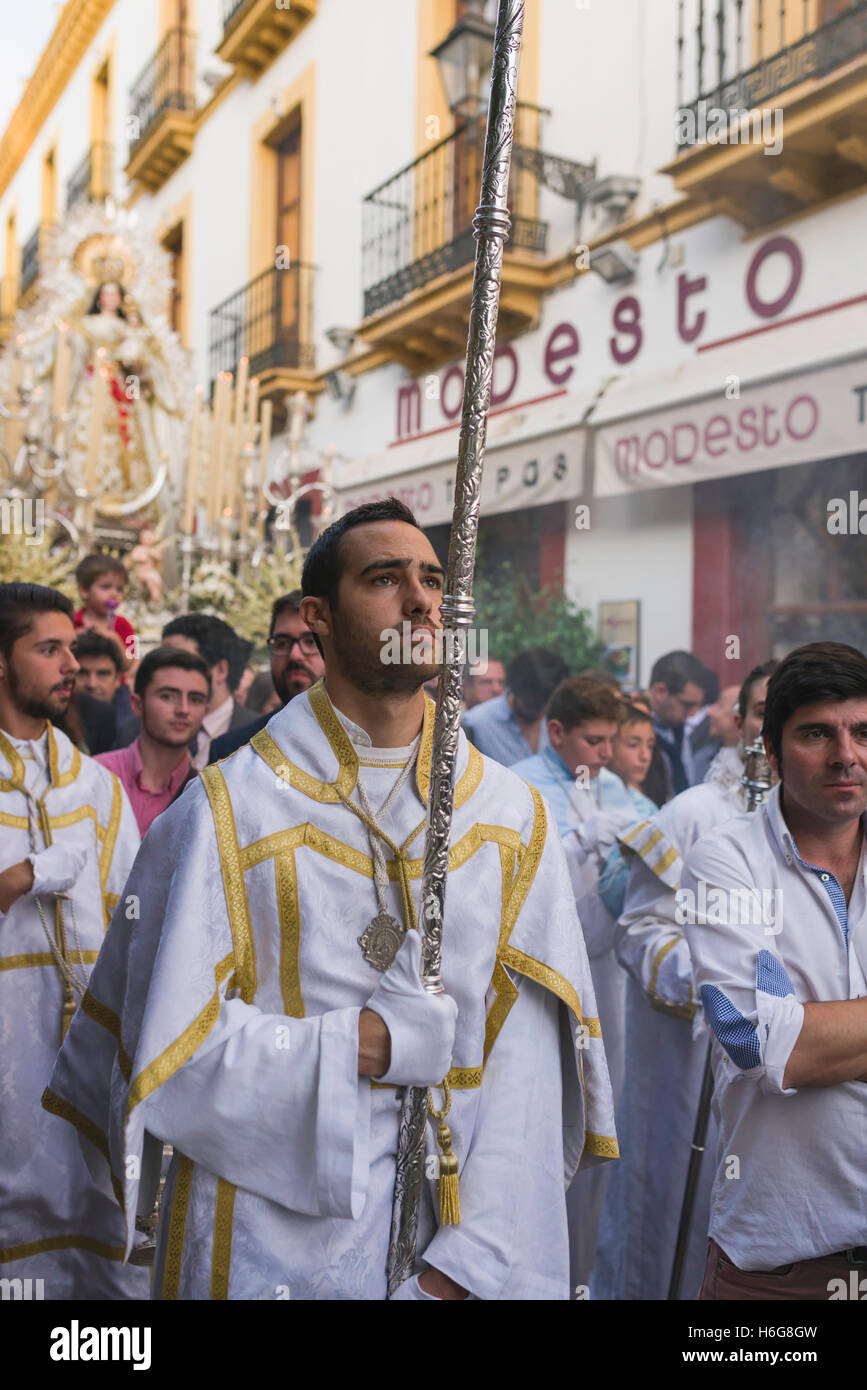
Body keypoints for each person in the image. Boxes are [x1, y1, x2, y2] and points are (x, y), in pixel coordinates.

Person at [46, 499, 615, 1301]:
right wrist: (365, 1044)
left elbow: (523, 1077)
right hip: (259, 1245)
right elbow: (166, 1056)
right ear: (317, 616)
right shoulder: (225, 813)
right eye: (385, 579)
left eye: (433, 579)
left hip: (454, 1250)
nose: (421, 601)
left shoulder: (509, 819)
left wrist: (463, 1271)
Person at [685, 642, 867, 1300]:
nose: (845, 755)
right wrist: (795, 1039)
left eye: (862, 731)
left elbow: (800, 1039)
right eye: (817, 733)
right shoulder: (724, 861)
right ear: (769, 748)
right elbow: (762, 1046)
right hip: (778, 1272)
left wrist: (821, 1033)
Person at [591, 659, 777, 1301]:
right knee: (671, 1236)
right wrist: (717, 983)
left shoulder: (823, 819)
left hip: (787, 1091)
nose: (769, 730)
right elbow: (639, 928)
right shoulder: (695, 813)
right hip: (688, 1067)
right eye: (761, 713)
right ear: (740, 721)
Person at [0, 582, 148, 1299]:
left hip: (85, 1054)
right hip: (6, 1058)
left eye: (71, 647)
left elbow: (135, 919)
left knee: (95, 1243)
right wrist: (21, 877)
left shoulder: (94, 788)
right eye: (47, 647)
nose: (70, 663)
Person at [95, 646, 211, 837]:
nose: (183, 709)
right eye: (167, 696)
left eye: (195, 699)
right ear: (137, 704)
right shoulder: (97, 774)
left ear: (205, 711)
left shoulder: (206, 795)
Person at [113, 613, 253, 766]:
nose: (164, 669)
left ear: (220, 670)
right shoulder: (131, 732)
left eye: (180, 661)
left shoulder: (258, 735)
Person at [207, 592, 325, 764]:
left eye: (310, 642)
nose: (294, 655)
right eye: (282, 643)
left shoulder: (370, 742)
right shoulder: (233, 750)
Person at [511, 676, 625, 836]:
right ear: (556, 733)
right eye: (593, 741)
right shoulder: (518, 785)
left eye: (611, 740)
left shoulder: (611, 783)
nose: (607, 753)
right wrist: (579, 841)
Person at [462, 647, 568, 767]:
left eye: (545, 705)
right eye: (532, 704)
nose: (540, 713)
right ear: (515, 690)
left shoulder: (563, 721)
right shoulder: (475, 724)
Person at [646, 650, 708, 798]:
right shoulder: (629, 727)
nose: (693, 713)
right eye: (687, 704)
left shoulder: (676, 728)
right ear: (660, 692)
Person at [73, 553, 136, 675]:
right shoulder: (72, 621)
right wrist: (76, 636)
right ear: (84, 591)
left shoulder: (123, 625)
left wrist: (114, 639)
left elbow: (128, 665)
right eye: (105, 587)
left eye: (119, 589)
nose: (114, 594)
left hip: (115, 690)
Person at [72, 629, 134, 728]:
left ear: (118, 679)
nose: (92, 684)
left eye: (103, 674)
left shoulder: (134, 729)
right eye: (82, 673)